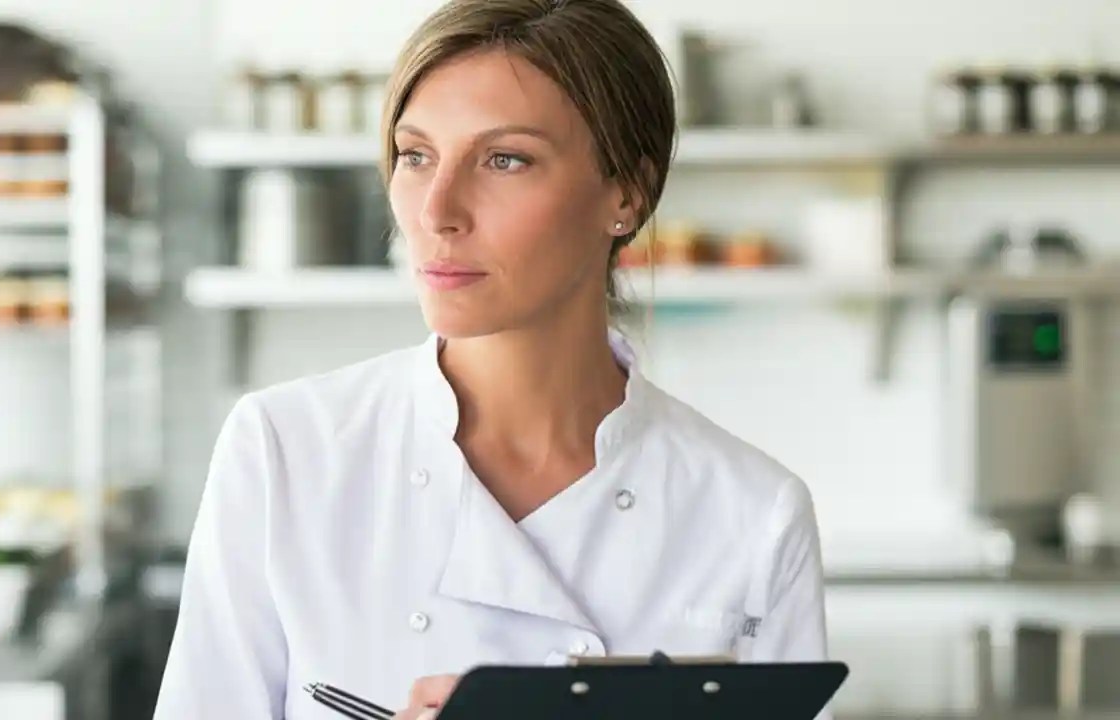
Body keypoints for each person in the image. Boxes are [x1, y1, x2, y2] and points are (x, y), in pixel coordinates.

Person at [154, 1, 828, 718]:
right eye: (416, 156)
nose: (436, 211)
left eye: (504, 159)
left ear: (626, 193)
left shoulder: (751, 512)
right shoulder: (286, 451)